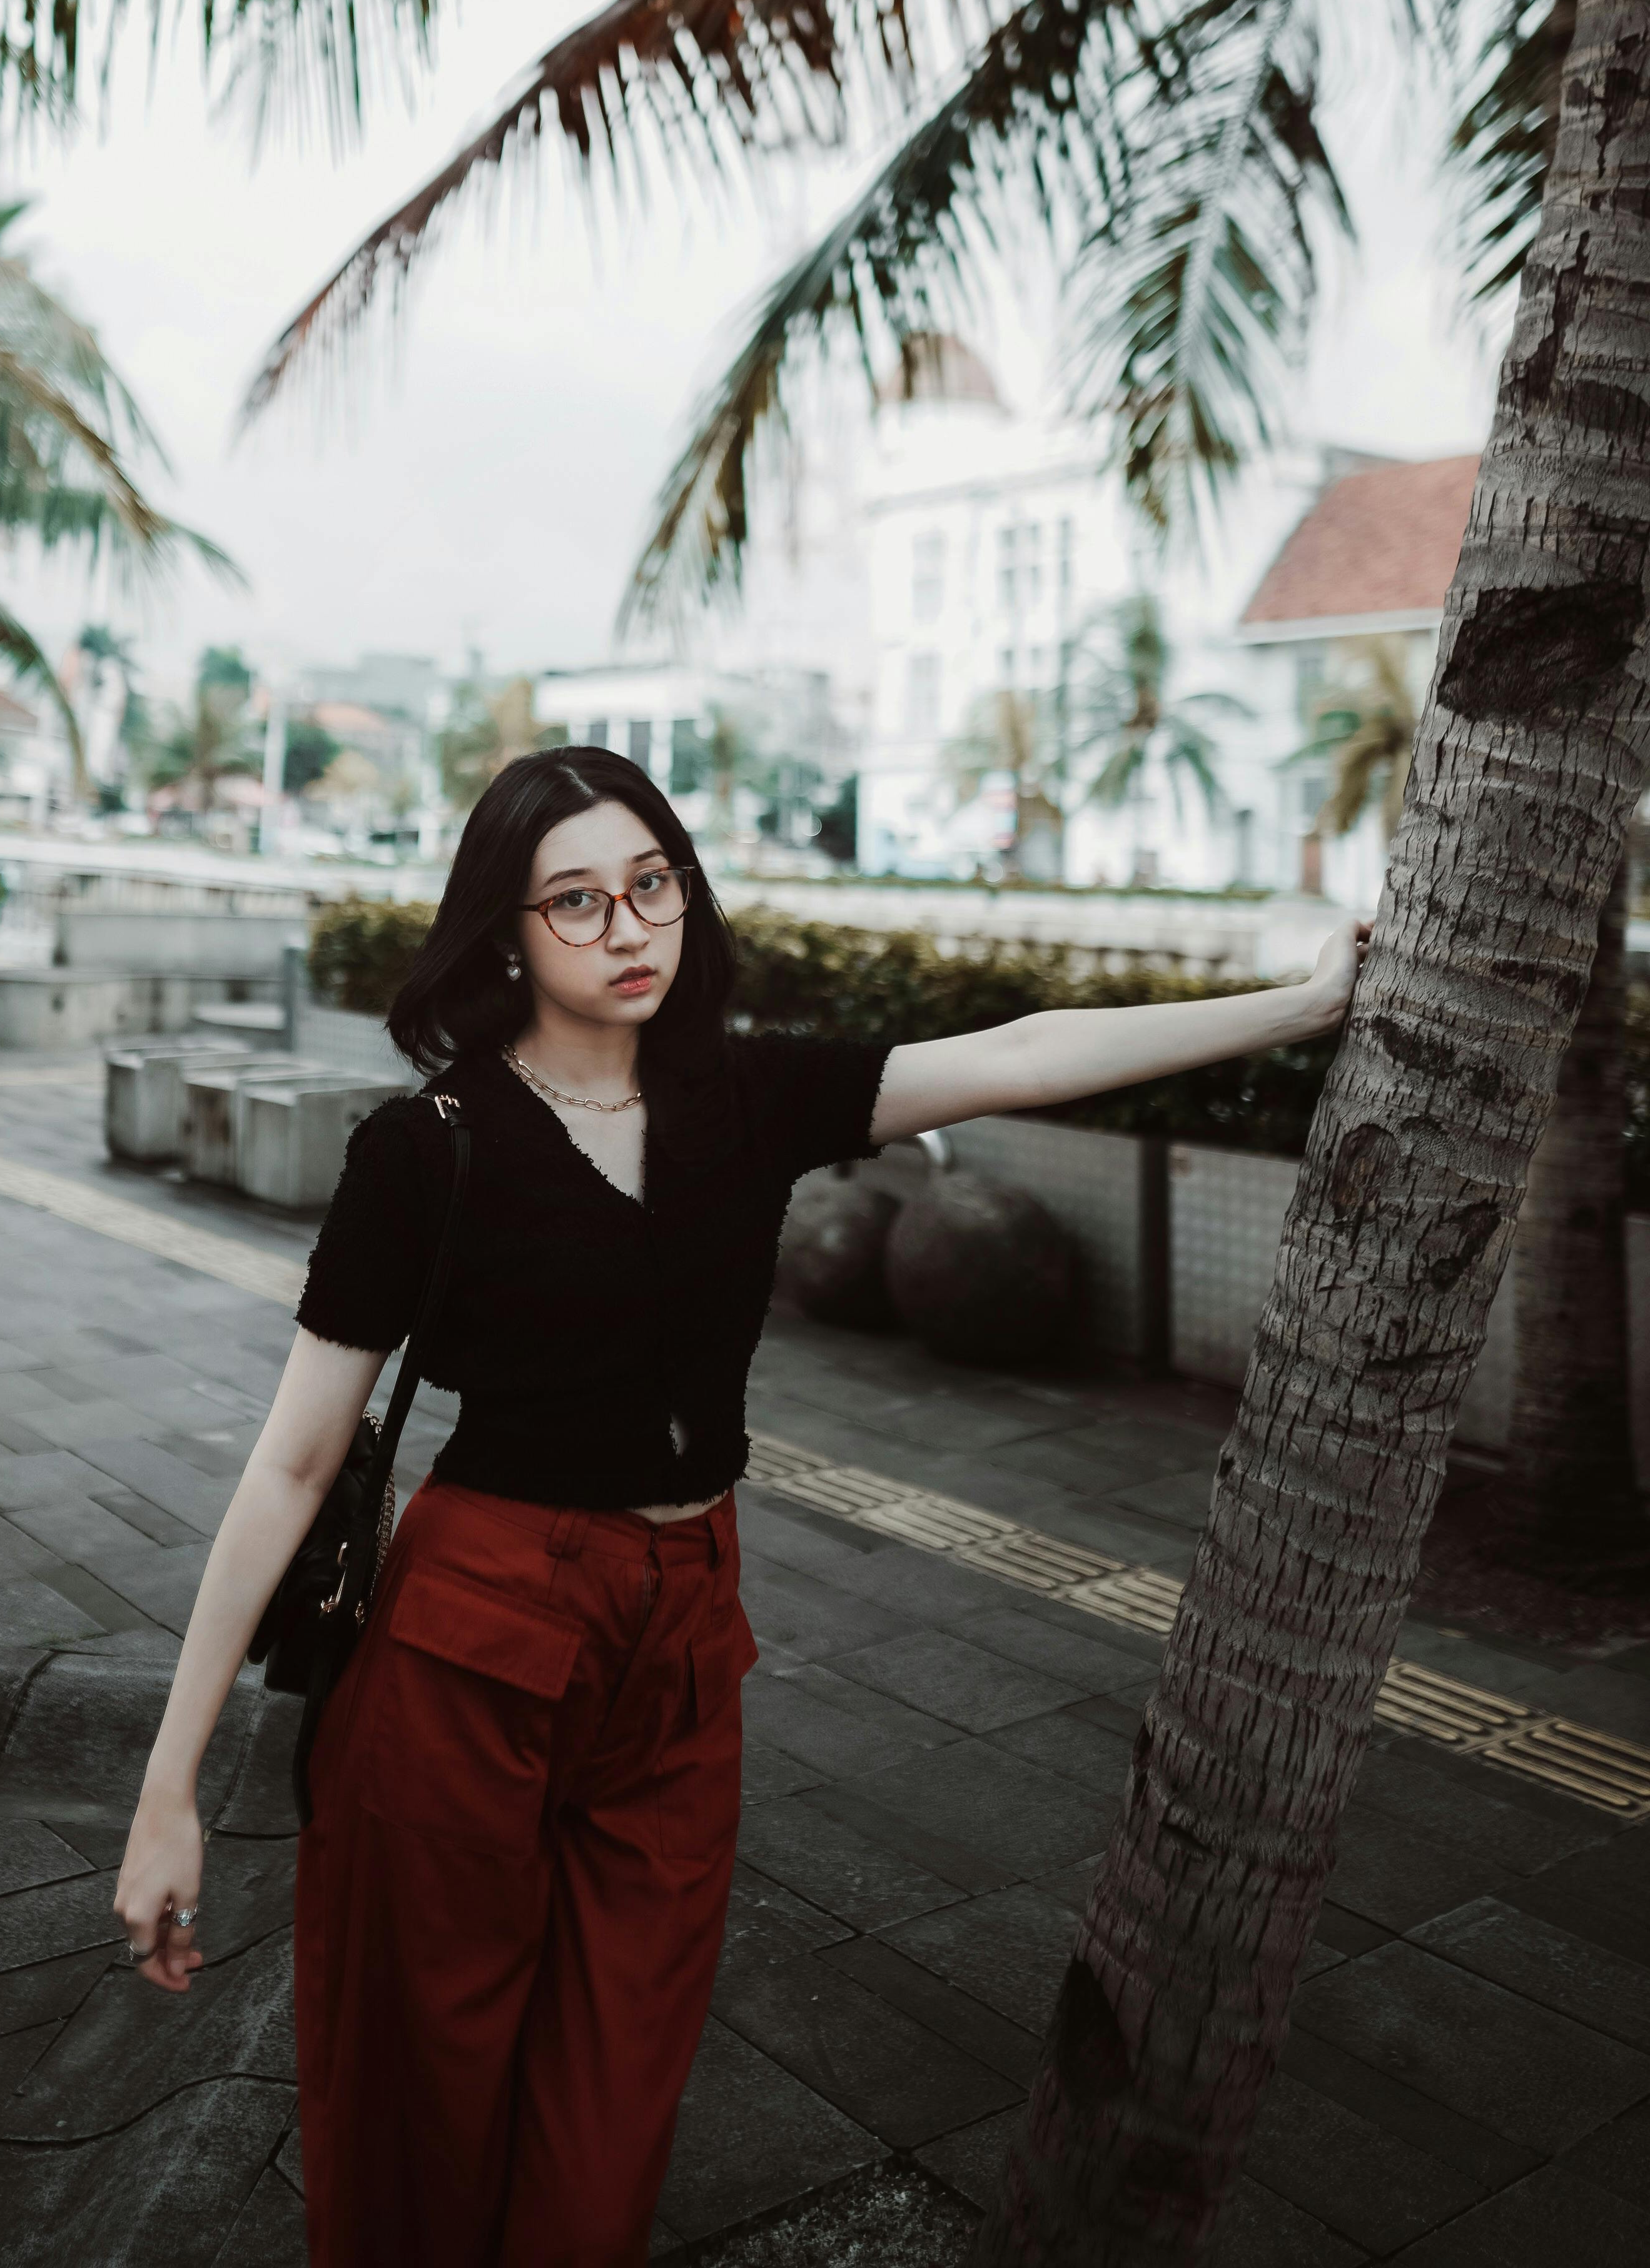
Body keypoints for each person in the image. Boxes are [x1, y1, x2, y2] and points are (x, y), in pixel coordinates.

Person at [113, 745, 1366, 2265]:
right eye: (574, 901)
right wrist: (171, 1783)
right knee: (417, 2092)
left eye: (652, 884)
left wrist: (1299, 1006)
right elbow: (295, 1463)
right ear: (504, 933)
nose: (628, 926)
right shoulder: (424, 1148)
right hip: (469, 1635)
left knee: (613, 2099)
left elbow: (1020, 1052)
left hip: (684, 1632)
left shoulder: (746, 1094)